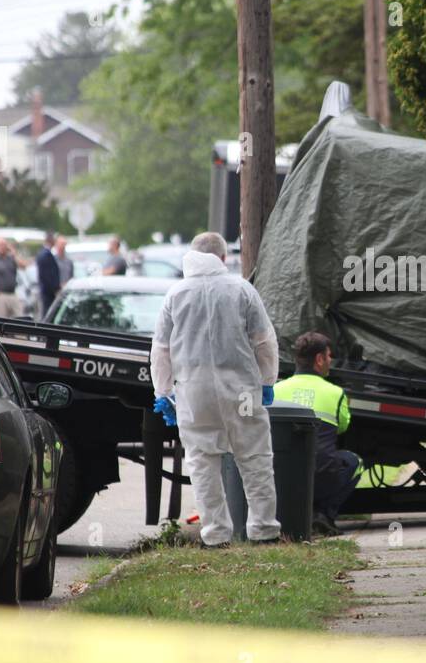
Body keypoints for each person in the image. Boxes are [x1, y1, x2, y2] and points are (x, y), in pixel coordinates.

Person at [150, 231, 280, 547]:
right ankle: (263, 530)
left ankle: (216, 535)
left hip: (194, 394)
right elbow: (264, 341)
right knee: (255, 458)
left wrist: (163, 392)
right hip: (242, 391)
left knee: (203, 463)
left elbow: (161, 349)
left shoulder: (175, 295)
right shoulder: (242, 290)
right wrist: (267, 381)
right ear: (222, 258)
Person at [273, 332, 361, 537]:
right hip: (321, 476)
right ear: (319, 359)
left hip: (283, 477)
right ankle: (323, 514)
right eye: (329, 356)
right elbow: (342, 427)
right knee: (355, 462)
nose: (330, 360)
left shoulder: (277, 389)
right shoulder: (335, 393)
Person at [0, 237, 28, 318]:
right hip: (0, 295)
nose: (2, 247)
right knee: (1, 319)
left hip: (12, 294)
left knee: (20, 318)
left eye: (4, 245)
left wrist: (14, 253)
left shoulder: (11, 258)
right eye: (0, 245)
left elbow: (23, 266)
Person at [35, 231, 61, 319]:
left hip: (47, 292)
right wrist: (55, 288)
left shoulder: (46, 254)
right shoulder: (45, 255)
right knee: (47, 315)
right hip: (47, 292)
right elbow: (47, 276)